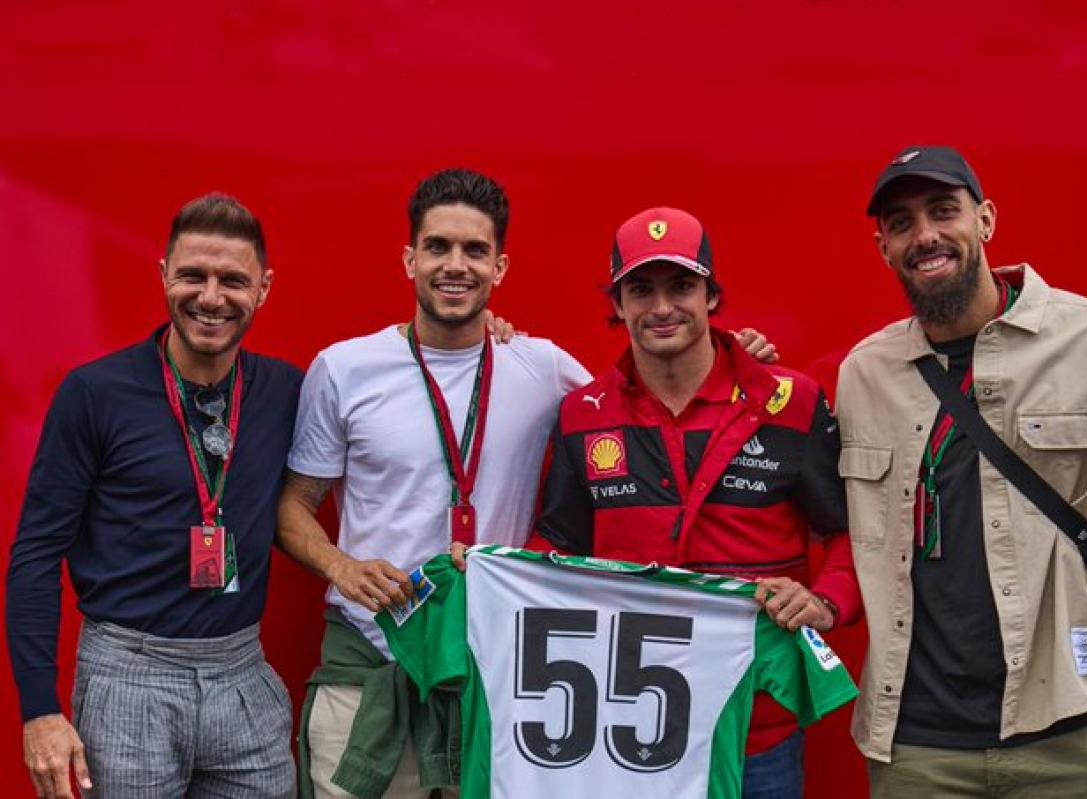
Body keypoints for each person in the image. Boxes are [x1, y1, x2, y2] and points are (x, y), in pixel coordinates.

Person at [277, 170, 779, 799]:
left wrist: (735, 361)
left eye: (475, 251)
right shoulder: (344, 369)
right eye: (438, 247)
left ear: (501, 267)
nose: (454, 265)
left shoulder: (541, 366)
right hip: (370, 668)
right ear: (410, 259)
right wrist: (340, 566)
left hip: (503, 684)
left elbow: (643, 403)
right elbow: (295, 507)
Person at [836, 145, 1087, 797]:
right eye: (902, 222)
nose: (926, 235)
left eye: (944, 211)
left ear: (987, 219)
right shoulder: (863, 373)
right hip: (915, 750)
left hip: (1071, 738)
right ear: (883, 246)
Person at [531, 206, 861, 799]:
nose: (661, 308)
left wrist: (825, 602)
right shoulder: (582, 415)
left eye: (681, 286)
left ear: (712, 295)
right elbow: (556, 548)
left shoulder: (793, 403)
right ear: (617, 303)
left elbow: (849, 533)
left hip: (756, 725)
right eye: (641, 289)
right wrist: (481, 575)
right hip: (626, 725)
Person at [7, 193, 300, 799]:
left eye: (234, 281)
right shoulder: (95, 394)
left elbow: (393, 369)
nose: (212, 297)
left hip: (243, 678)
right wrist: (39, 709)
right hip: (128, 682)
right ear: (164, 274)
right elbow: (35, 554)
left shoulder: (287, 391)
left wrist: (488, 333)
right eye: (193, 275)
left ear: (264, 288)